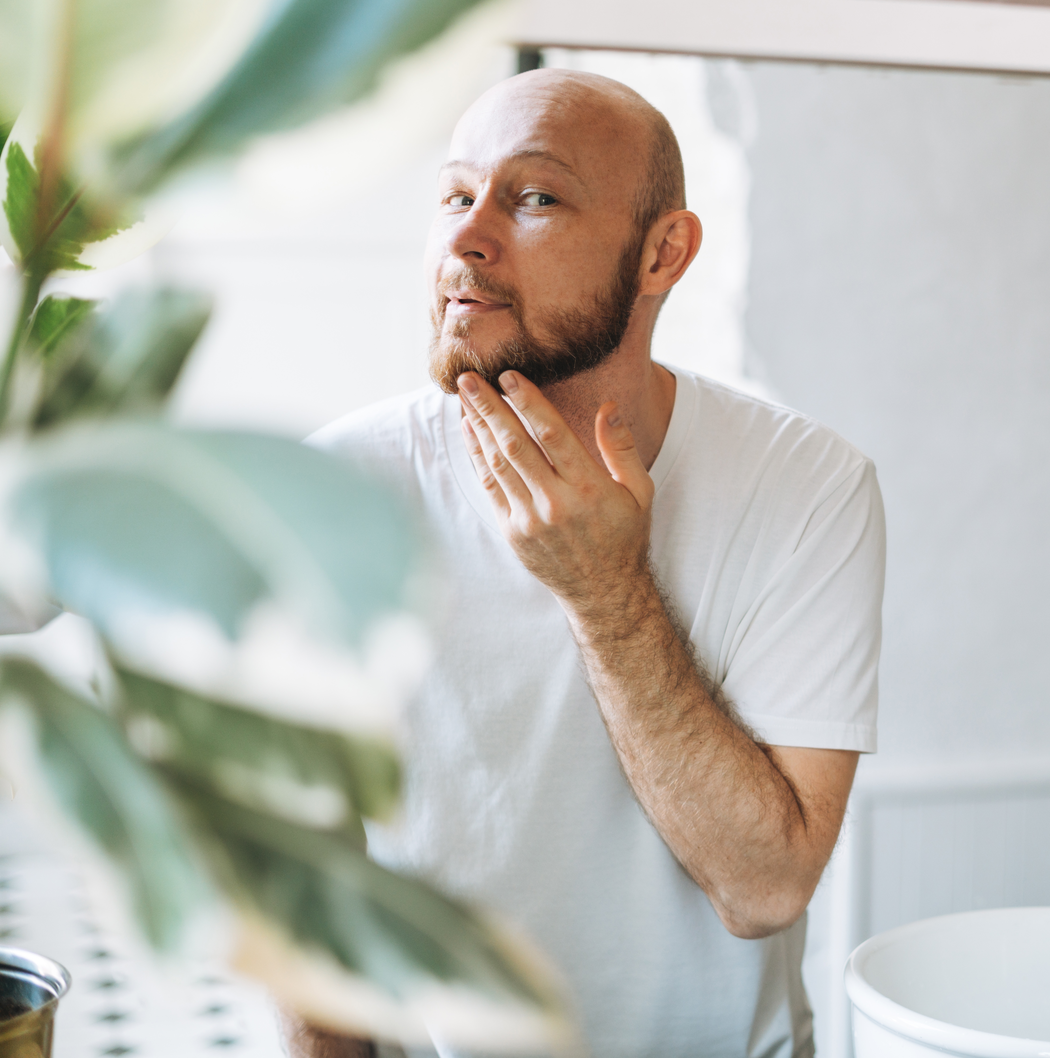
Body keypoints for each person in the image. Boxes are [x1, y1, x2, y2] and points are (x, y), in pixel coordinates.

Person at [294, 69, 885, 1058]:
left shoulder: (809, 488)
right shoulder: (335, 489)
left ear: (663, 253)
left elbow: (765, 888)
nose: (467, 237)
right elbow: (304, 902)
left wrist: (606, 592)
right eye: (455, 194)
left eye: (534, 197)